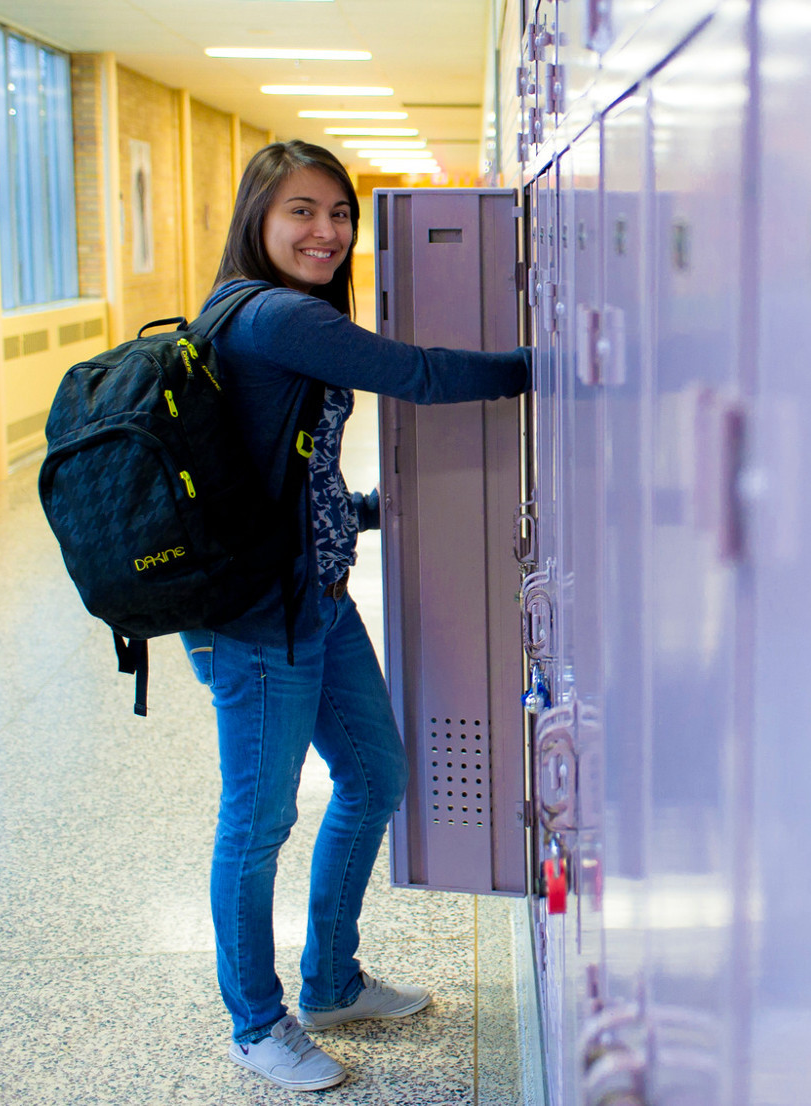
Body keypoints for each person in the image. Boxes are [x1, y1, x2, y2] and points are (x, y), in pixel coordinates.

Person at [179, 141, 527, 1091]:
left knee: (374, 777)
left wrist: (372, 513)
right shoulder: (276, 315)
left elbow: (289, 465)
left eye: (339, 213)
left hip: (315, 601)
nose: (326, 231)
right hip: (255, 621)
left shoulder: (260, 315)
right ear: (259, 215)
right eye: (302, 210)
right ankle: (256, 1025)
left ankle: (332, 980)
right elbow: (413, 372)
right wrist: (551, 368)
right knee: (253, 828)